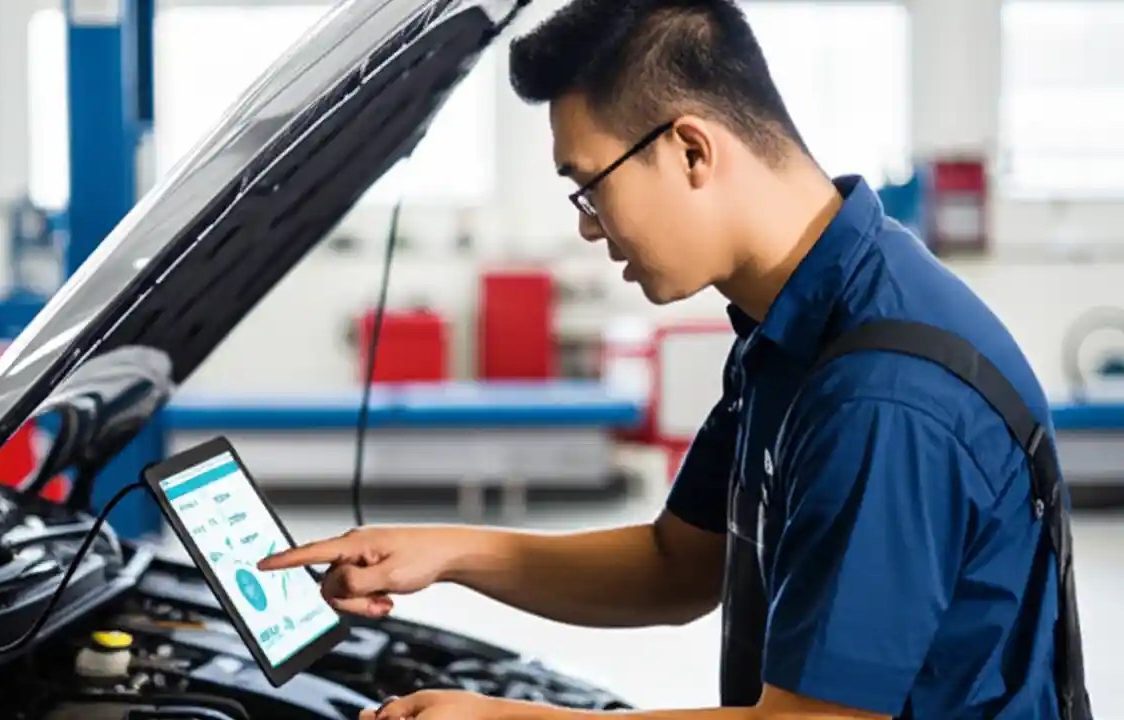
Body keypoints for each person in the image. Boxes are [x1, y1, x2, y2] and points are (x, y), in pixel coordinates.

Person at [259, 1, 1088, 718]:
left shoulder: (882, 394)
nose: (589, 226)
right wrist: (446, 551)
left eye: (589, 186)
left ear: (691, 150)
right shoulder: (796, 321)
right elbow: (678, 565)